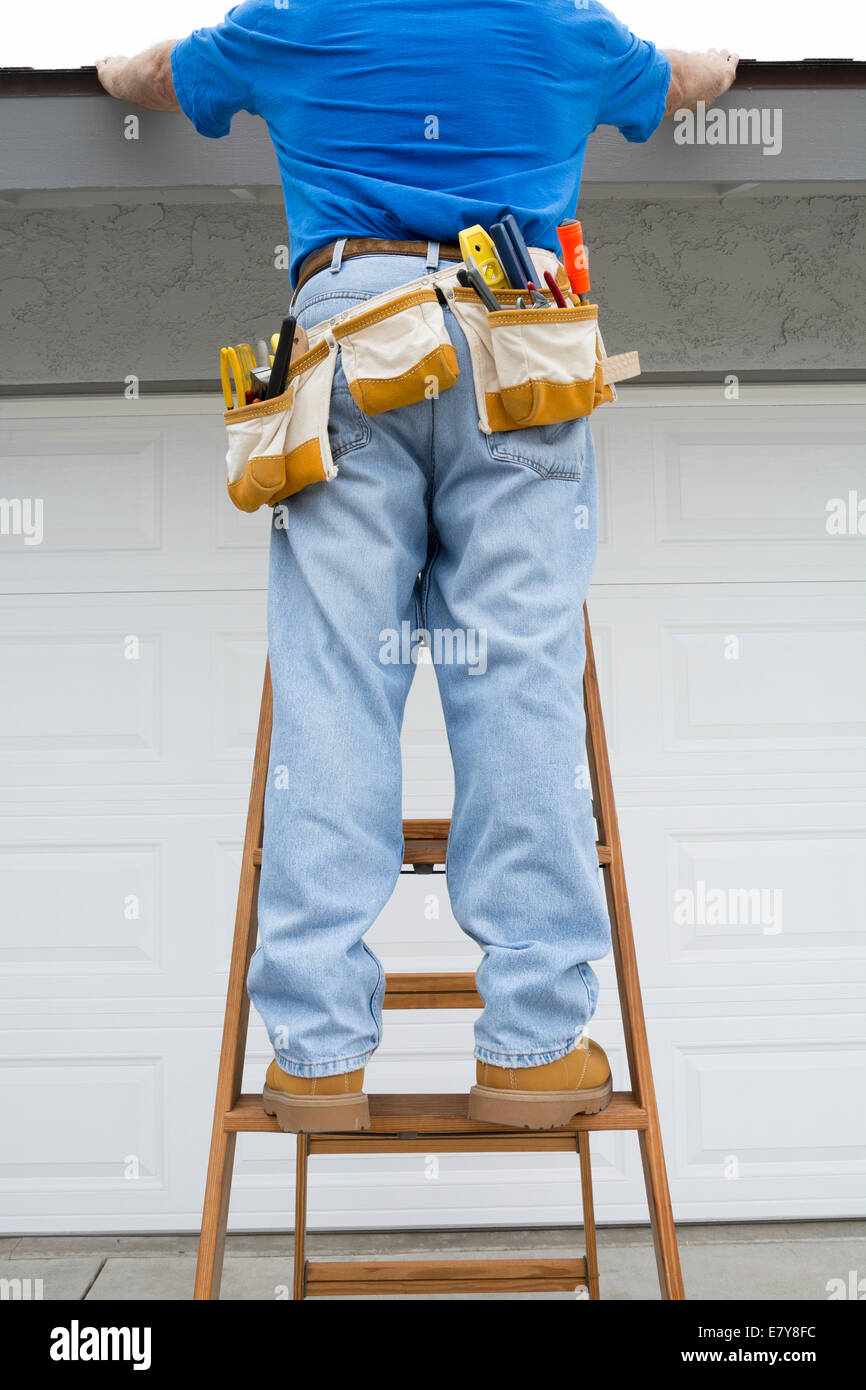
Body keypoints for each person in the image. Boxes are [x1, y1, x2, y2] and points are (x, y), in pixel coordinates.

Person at [98, 3, 738, 1132]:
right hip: (517, 343)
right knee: (519, 687)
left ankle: (312, 1056)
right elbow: (690, 80)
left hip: (349, 339)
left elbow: (146, 76)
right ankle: (534, 1047)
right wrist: (716, 54)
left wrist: (109, 63)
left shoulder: (298, 20)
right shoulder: (559, 27)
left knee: (333, 688)